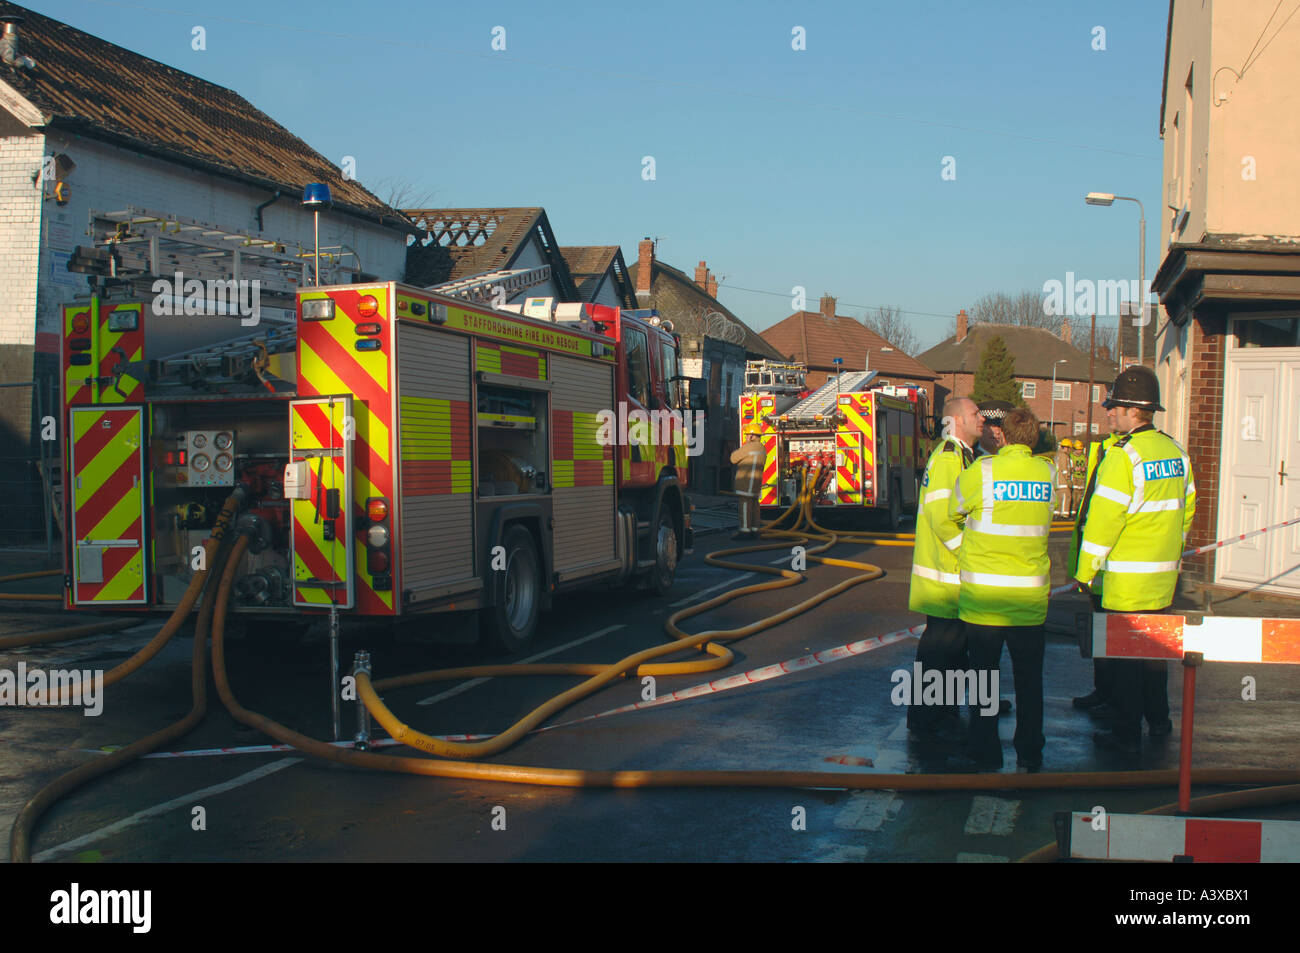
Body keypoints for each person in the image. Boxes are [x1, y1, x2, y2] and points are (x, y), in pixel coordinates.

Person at [1073, 366, 1196, 754]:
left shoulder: (1124, 456)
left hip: (1126, 581)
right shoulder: (1175, 450)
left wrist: (1085, 571)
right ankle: (1159, 720)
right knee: (1155, 656)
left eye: (1115, 406)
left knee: (1125, 659)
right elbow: (1188, 506)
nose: (1111, 413)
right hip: (1162, 578)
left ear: (1130, 410)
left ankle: (1126, 733)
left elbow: (1103, 523)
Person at [949, 408, 1055, 771]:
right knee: (1029, 682)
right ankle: (1030, 751)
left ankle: (985, 750)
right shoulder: (1047, 473)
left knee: (984, 681)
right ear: (1035, 438)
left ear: (1004, 436)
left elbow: (955, 510)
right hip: (1028, 600)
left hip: (985, 601)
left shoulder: (982, 471)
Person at [907, 396, 983, 737]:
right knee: (939, 651)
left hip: (948, 575)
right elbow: (942, 518)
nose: (981, 418)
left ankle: (943, 712)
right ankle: (927, 719)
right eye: (974, 413)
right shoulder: (951, 459)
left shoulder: (961, 458)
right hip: (946, 576)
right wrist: (968, 554)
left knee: (948, 652)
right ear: (955, 422)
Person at [730, 435, 766, 540]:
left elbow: (733, 458)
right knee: (754, 506)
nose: (746, 437)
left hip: (746, 482)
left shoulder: (749, 447)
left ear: (751, 436)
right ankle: (755, 530)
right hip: (756, 483)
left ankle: (744, 531)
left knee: (745, 505)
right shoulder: (761, 447)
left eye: (747, 435)